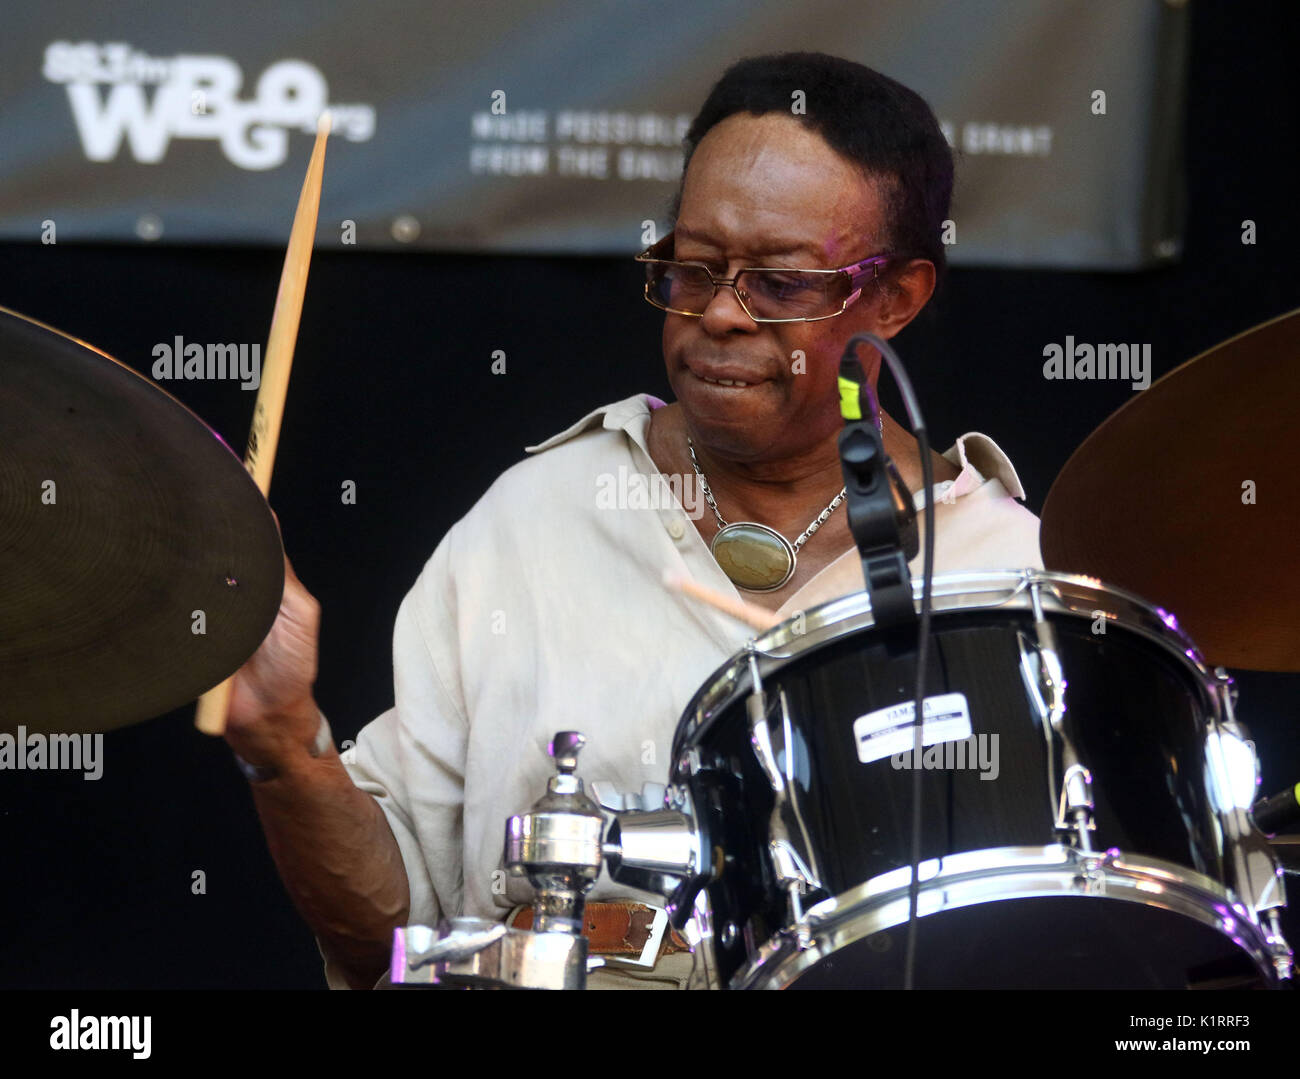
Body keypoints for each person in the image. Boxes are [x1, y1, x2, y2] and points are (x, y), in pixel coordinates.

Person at [223, 52, 1041, 990]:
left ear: (894, 298)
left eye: (779, 283)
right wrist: (286, 743)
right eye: (694, 267)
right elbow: (389, 940)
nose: (722, 314)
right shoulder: (532, 521)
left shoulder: (1015, 575)